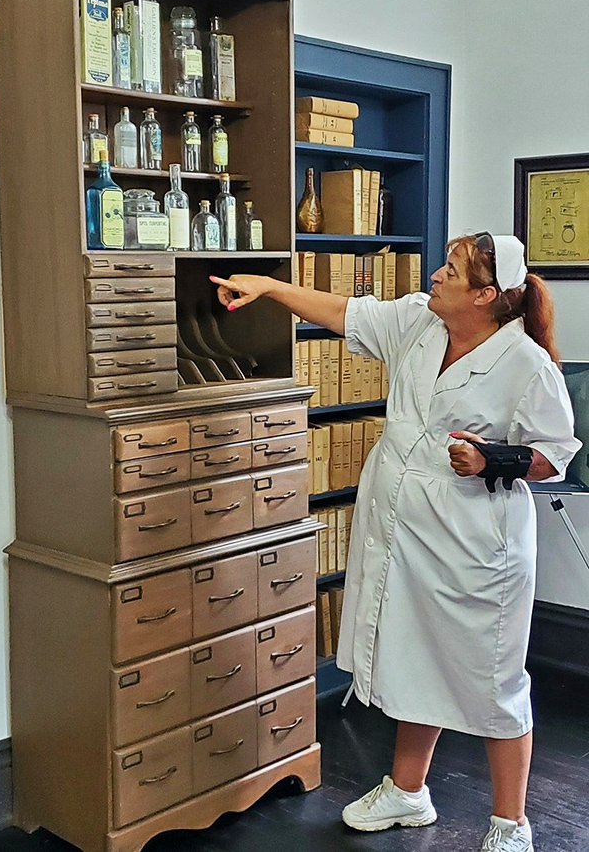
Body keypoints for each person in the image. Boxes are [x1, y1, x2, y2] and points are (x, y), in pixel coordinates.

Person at [211, 232, 581, 852]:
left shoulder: (526, 363)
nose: (436, 273)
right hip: (402, 527)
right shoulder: (419, 321)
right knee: (416, 654)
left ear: (486, 295)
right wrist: (270, 287)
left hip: (474, 542)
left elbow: (555, 455)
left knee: (493, 678)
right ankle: (408, 792)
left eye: (452, 270)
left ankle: (511, 823)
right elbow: (342, 312)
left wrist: (492, 459)